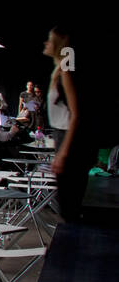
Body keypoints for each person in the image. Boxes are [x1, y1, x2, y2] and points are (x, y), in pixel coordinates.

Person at [44, 26, 92, 222]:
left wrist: (63, 152)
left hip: (68, 139)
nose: (46, 43)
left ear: (57, 45)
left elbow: (75, 114)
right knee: (66, 204)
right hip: (62, 137)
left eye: (49, 40)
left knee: (68, 204)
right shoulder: (60, 70)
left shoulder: (66, 72)